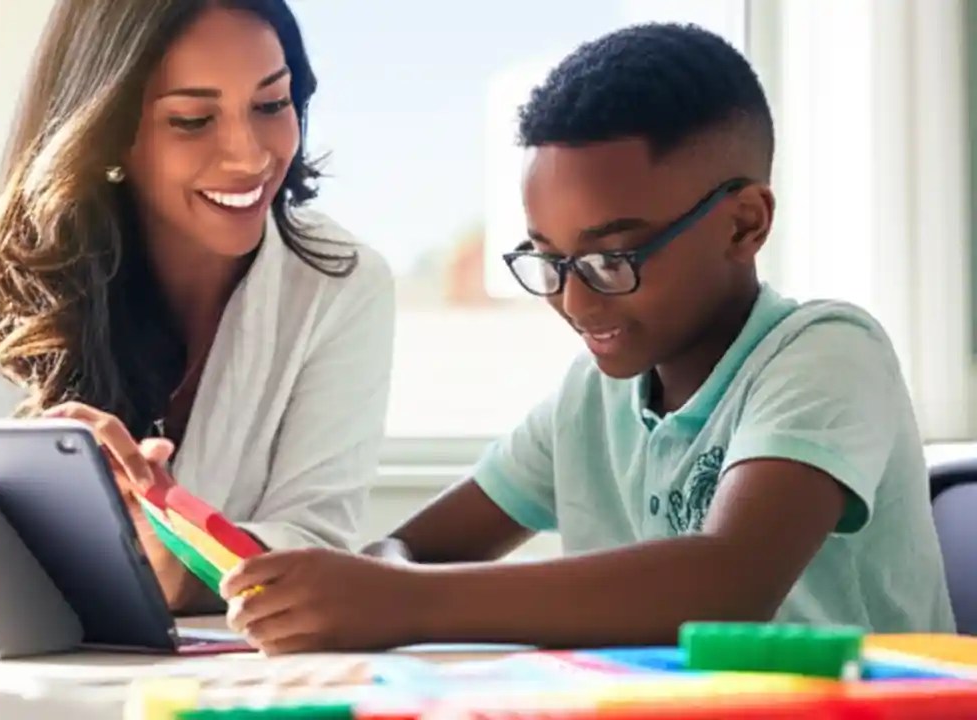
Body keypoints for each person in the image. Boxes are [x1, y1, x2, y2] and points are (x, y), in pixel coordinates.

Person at [220, 22, 956, 654]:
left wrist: (404, 602)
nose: (572, 300)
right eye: (548, 259)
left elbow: (728, 583)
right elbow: (412, 548)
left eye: (612, 259)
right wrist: (377, 580)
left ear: (745, 224)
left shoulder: (826, 352)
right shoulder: (593, 397)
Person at [0, 0, 394, 614]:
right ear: (105, 127)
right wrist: (23, 478)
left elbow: (318, 542)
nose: (249, 155)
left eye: (271, 105)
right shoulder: (14, 270)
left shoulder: (341, 283)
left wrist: (178, 564)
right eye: (192, 120)